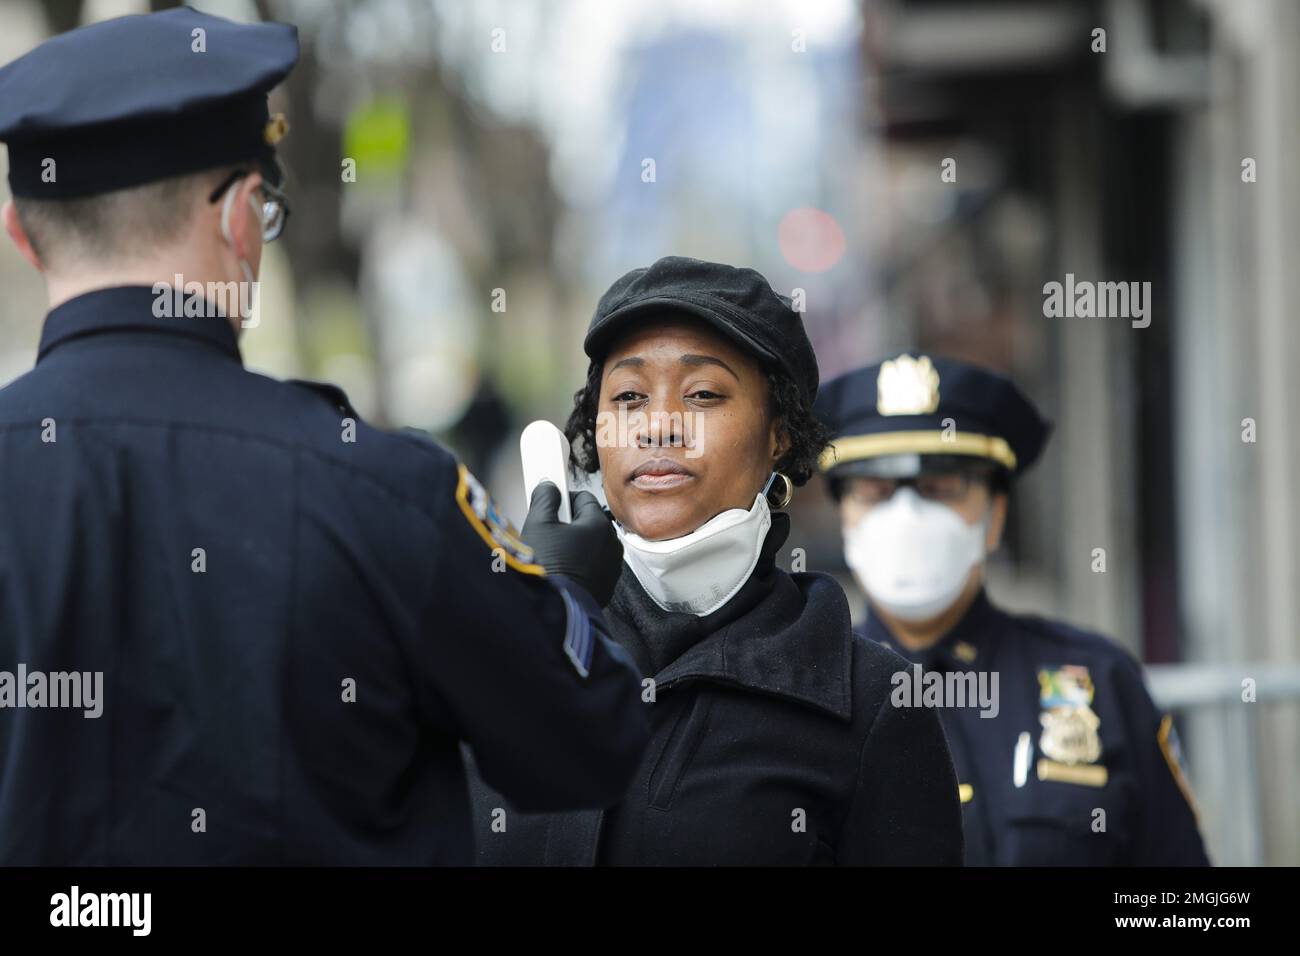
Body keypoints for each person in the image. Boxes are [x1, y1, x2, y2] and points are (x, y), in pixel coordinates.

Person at [0, 7, 648, 865]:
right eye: (264, 215)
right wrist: (562, 586)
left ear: (23, 236)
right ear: (238, 217)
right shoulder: (382, 491)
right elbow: (587, 743)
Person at [470, 257, 963, 865]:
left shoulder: (872, 704)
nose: (658, 427)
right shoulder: (499, 663)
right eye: (627, 397)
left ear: (778, 434)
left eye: (702, 394)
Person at [815, 352, 1211, 865]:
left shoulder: (1101, 683)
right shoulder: (804, 699)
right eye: (875, 491)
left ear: (995, 516)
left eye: (941, 488)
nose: (906, 517)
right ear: (844, 517)